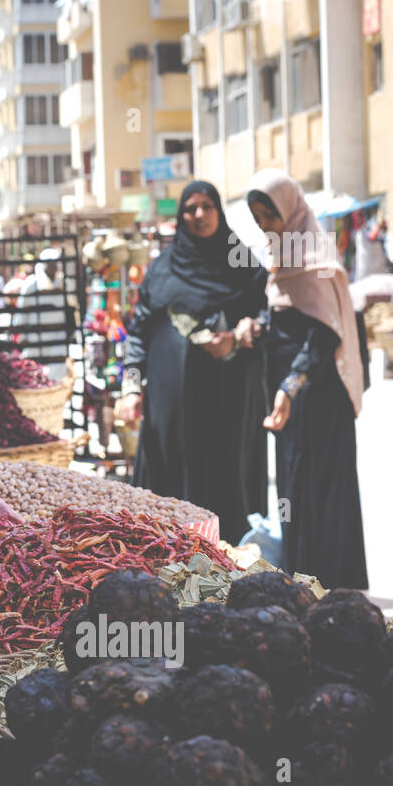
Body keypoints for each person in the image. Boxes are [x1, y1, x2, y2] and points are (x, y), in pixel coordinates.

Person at [118, 180, 268, 542]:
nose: (199, 215)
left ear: (219, 210)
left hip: (227, 401)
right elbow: (138, 331)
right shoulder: (162, 269)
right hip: (171, 408)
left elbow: (269, 317)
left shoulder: (242, 263)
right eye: (190, 208)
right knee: (170, 487)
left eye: (207, 207)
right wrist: (131, 387)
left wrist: (239, 336)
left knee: (223, 478)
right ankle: (168, 562)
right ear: (181, 217)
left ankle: (226, 561)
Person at [246, 169, 368, 590]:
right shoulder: (282, 259)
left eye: (270, 216)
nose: (265, 226)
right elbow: (287, 318)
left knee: (320, 484)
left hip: (319, 396)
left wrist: (291, 385)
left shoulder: (316, 259)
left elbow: (323, 332)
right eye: (258, 218)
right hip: (292, 398)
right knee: (294, 486)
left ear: (292, 211)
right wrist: (257, 327)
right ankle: (303, 578)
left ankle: (331, 581)